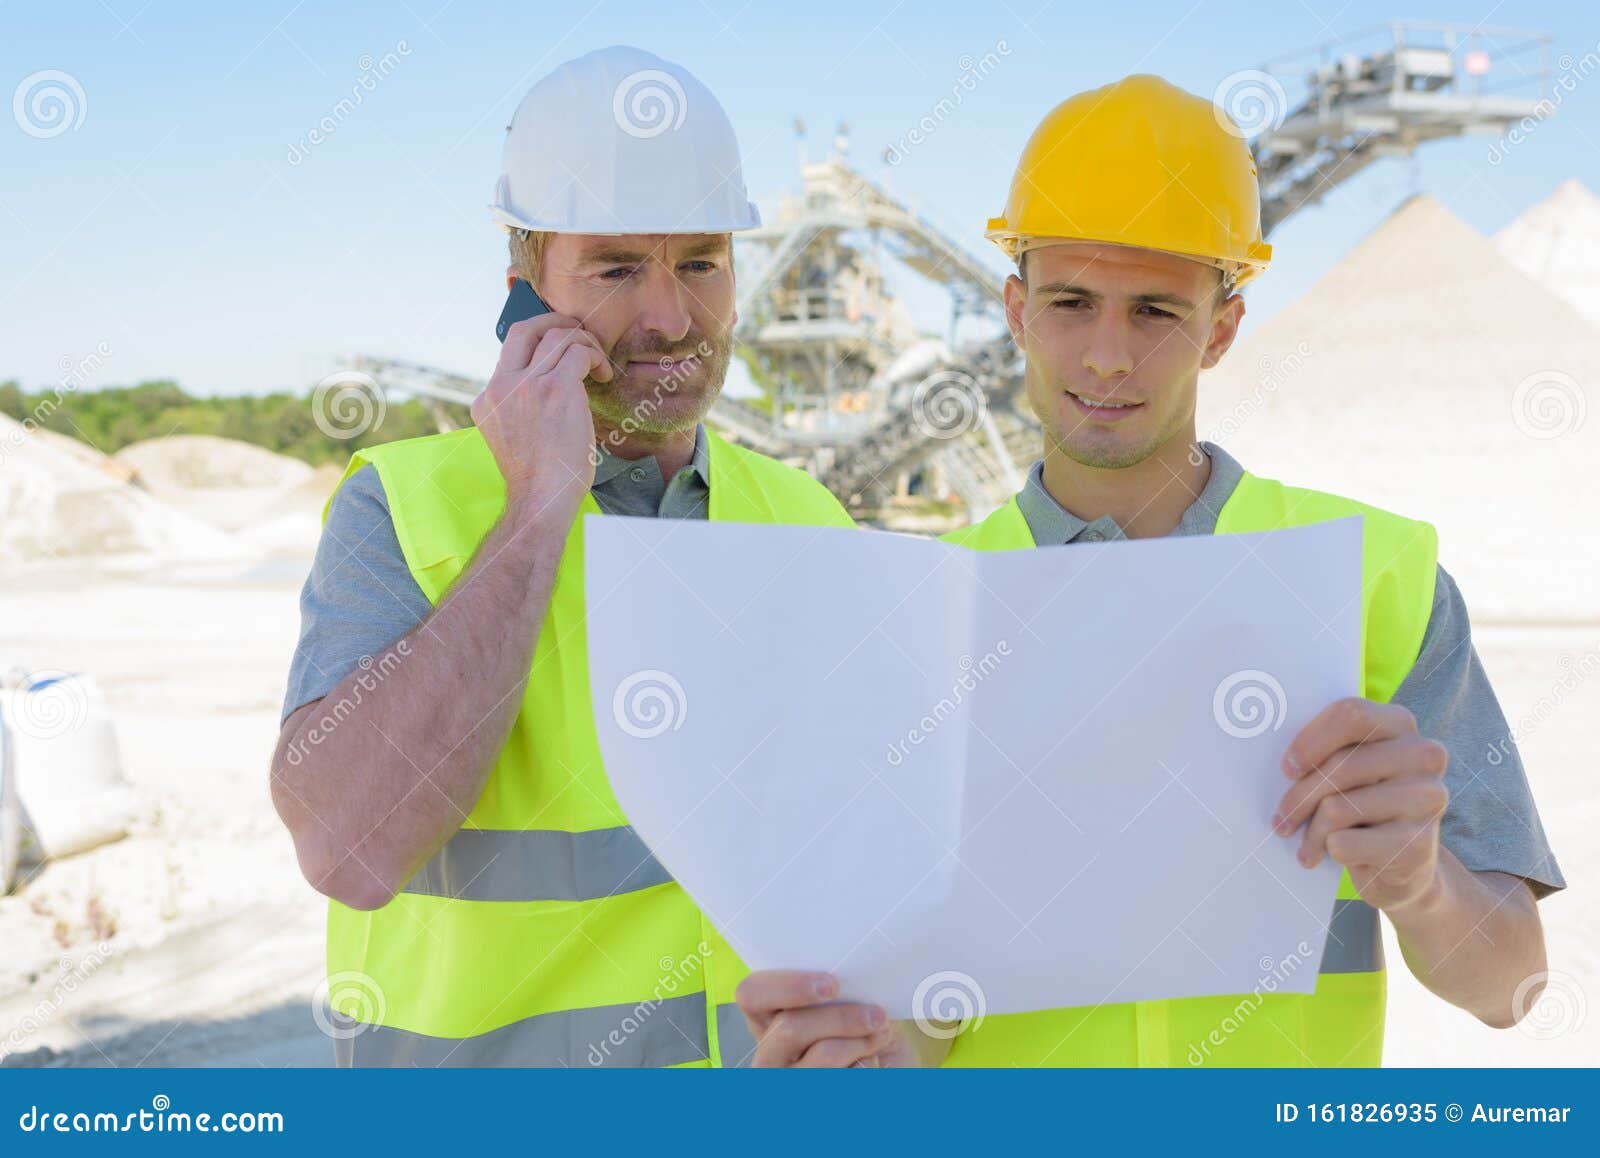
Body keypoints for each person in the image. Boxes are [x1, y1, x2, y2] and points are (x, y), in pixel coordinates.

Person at [736, 73, 1565, 1068]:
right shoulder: (921, 620)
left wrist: (1422, 886)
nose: (1106, 357)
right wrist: (865, 1054)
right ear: (1016, 309)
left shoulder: (1375, 581)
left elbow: (1511, 985)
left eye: (1155, 312)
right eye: (1072, 303)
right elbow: (912, 1011)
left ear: (1222, 327)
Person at [270, 45, 863, 1067]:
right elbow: (349, 848)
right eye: (617, 268)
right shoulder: (404, 507)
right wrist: (543, 501)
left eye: (701, 262)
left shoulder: (806, 518)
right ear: (524, 291)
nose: (671, 317)